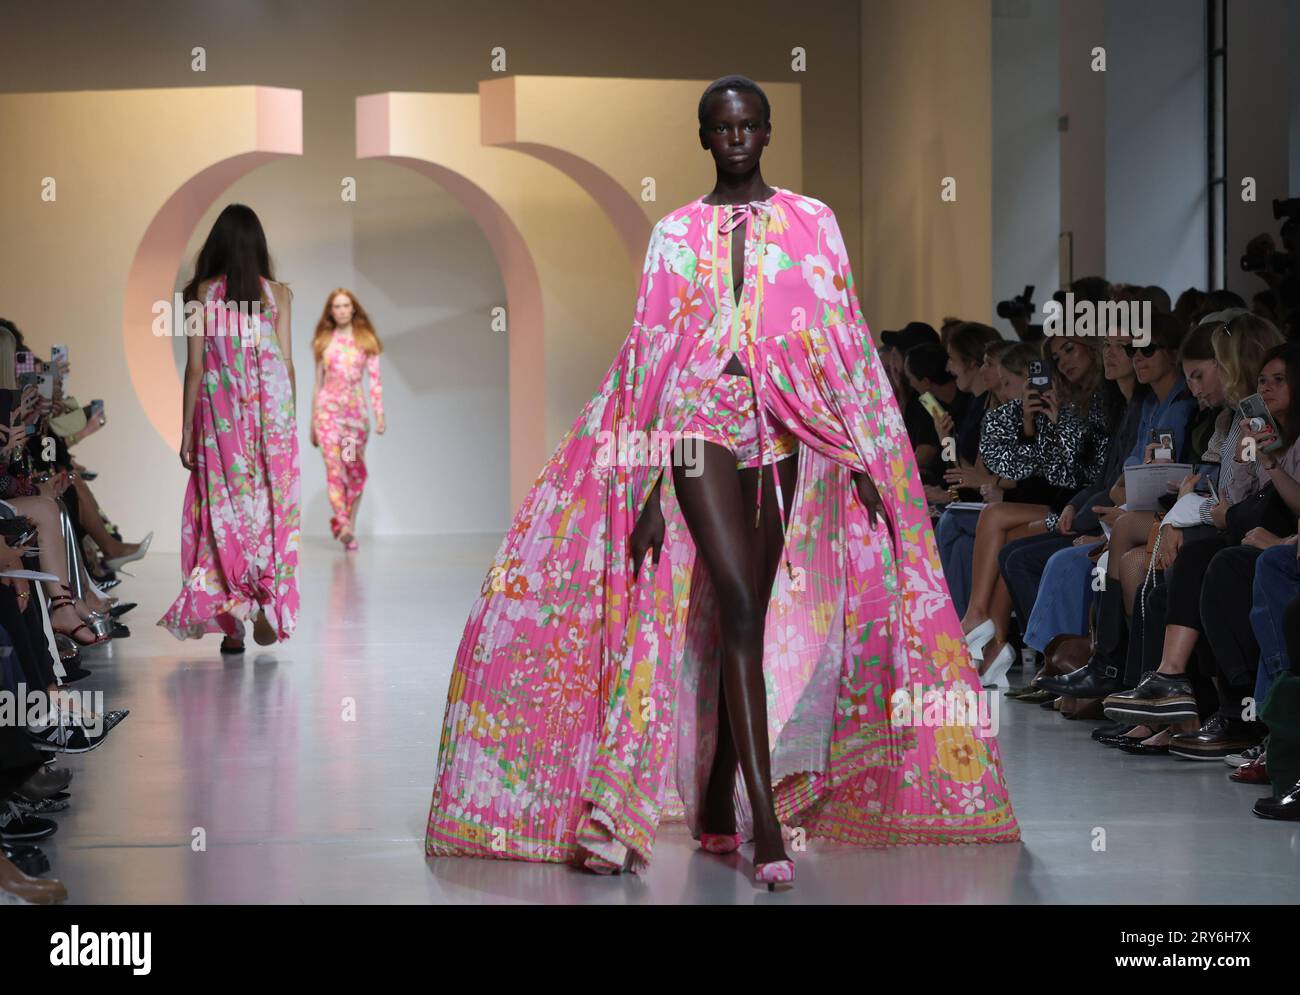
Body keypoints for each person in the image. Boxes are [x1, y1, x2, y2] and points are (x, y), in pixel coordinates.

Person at [424, 75, 1019, 889]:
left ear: (767, 131)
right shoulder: (673, 234)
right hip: (698, 427)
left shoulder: (814, 223)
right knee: (740, 601)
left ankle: (711, 794)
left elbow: (841, 337)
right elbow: (649, 357)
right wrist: (641, 492)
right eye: (720, 127)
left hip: (785, 430)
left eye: (747, 124)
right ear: (705, 137)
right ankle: (762, 822)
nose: (736, 137)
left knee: (751, 611)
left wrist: (864, 457)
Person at [158, 204, 301, 653]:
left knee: (222, 514)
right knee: (271, 514)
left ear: (216, 244)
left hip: (222, 425)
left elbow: (196, 369)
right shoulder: (278, 294)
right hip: (272, 423)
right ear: (258, 245)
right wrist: (289, 424)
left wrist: (185, 431)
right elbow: (287, 361)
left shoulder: (202, 294)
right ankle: (266, 603)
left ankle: (234, 616)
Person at [310, 288, 385, 551]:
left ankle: (348, 523)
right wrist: (312, 423)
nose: (341, 310)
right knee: (334, 469)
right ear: (331, 311)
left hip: (353, 421)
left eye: (345, 305)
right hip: (328, 417)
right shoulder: (323, 341)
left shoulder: (366, 341)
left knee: (352, 470)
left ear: (353, 308)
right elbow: (317, 384)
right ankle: (342, 524)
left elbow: (375, 381)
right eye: (336, 306)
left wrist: (379, 414)